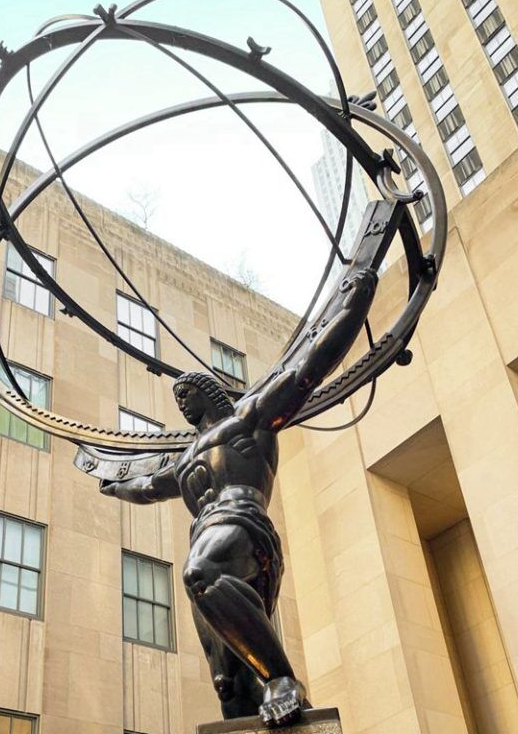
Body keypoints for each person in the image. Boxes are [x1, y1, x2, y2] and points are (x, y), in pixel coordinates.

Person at [100, 268, 377, 726]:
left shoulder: (250, 419)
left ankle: (283, 680)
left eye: (186, 393)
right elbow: (149, 487)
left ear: (208, 393)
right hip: (207, 532)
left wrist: (355, 304)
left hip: (242, 528)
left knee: (200, 574)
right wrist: (110, 481)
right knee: (227, 687)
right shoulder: (185, 458)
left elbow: (307, 369)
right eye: (177, 398)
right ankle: (270, 705)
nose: (181, 403)